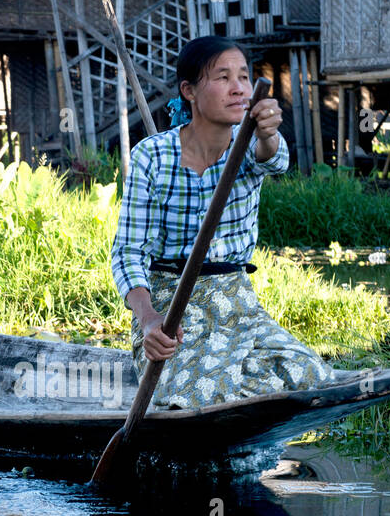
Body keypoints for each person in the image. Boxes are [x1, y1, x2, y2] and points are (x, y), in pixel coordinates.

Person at [111, 36, 342, 408]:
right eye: (222, 77)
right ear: (189, 90)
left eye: (243, 77)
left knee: (310, 375)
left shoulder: (249, 145)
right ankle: (195, 388)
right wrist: (150, 321)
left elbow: (272, 156)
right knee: (200, 395)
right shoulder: (151, 156)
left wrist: (267, 131)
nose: (238, 89)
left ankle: (228, 383)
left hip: (237, 302)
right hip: (175, 309)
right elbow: (127, 253)